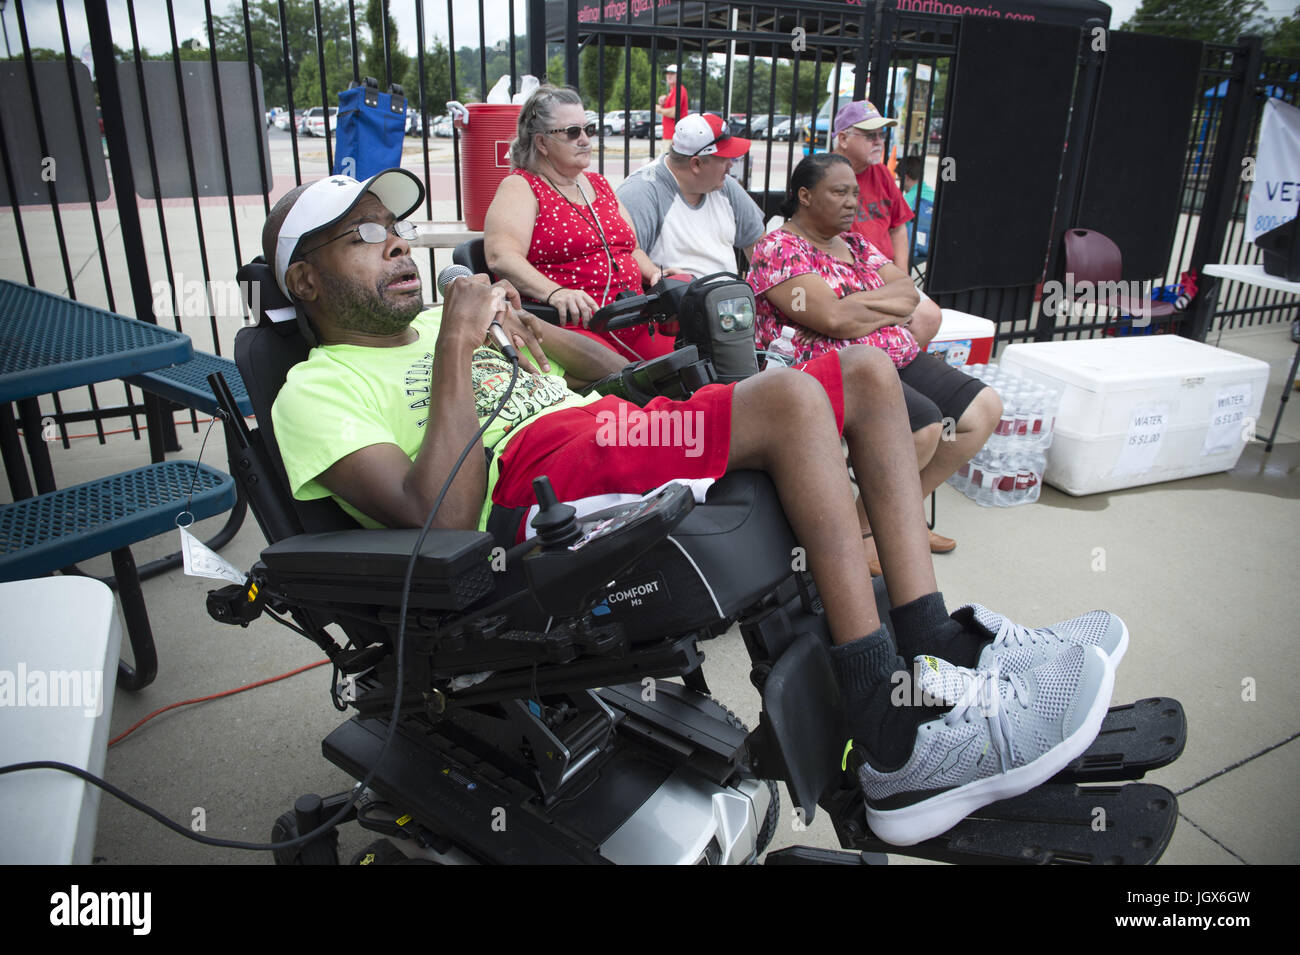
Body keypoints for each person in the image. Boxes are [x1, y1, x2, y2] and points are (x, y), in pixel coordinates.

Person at [266, 167, 1124, 847]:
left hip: (604, 427)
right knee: (790, 401)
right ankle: (891, 745)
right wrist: (457, 343)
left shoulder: (455, 328)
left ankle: (929, 641)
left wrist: (525, 327)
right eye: (363, 236)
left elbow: (608, 374)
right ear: (304, 279)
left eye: (396, 229)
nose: (398, 245)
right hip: (536, 486)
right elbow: (442, 519)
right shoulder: (314, 390)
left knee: (864, 373)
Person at [746, 152, 1002, 563]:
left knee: (982, 411)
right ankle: (864, 538)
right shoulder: (778, 247)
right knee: (923, 428)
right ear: (805, 195)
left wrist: (854, 309)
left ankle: (884, 522)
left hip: (889, 355)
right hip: (827, 370)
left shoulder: (857, 244)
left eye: (854, 193)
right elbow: (831, 317)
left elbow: (907, 296)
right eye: (839, 192)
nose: (852, 202)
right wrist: (871, 312)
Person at [483, 85, 676, 363]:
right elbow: (501, 256)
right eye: (573, 132)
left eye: (589, 129)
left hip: (634, 316)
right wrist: (555, 292)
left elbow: (629, 249)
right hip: (575, 327)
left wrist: (656, 275)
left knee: (688, 365)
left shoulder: (598, 183)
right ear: (542, 143)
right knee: (634, 381)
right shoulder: (522, 187)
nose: (585, 140)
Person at [831, 99, 941, 349]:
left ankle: (896, 374)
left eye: (881, 135)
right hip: (846, 281)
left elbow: (898, 227)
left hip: (884, 276)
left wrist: (901, 278)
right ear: (844, 139)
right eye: (869, 135)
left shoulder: (880, 173)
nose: (879, 141)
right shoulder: (823, 173)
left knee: (930, 317)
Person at [617, 112, 766, 278]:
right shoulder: (641, 192)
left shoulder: (723, 184)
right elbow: (625, 259)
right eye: (724, 158)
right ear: (696, 164)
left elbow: (759, 245)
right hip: (677, 301)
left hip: (728, 299)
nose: (731, 164)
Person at [656, 64, 688, 142]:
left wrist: (659, 109)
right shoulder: (673, 91)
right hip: (670, 135)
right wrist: (663, 102)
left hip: (674, 136)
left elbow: (674, 113)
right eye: (668, 73)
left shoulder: (679, 90)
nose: (669, 76)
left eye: (672, 73)